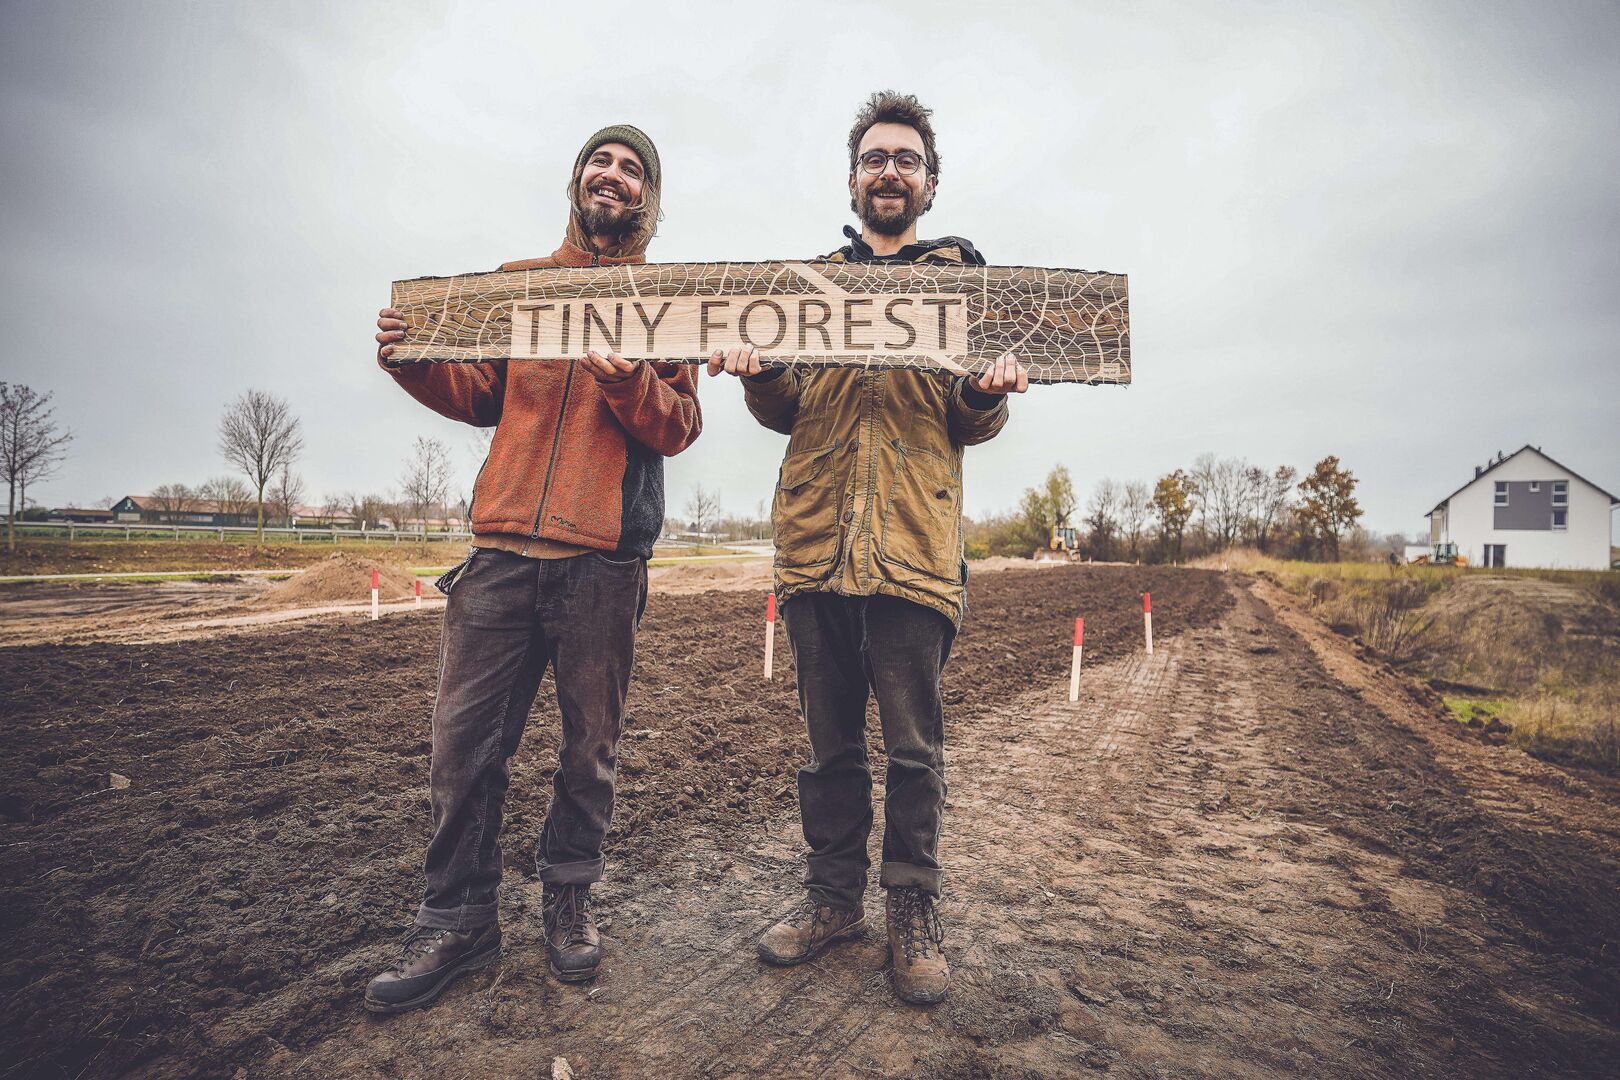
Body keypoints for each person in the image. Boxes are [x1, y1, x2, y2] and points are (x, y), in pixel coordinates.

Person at [364, 125, 702, 1013]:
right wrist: (412, 363)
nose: (613, 176)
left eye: (632, 170)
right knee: (461, 748)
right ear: (577, 180)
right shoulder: (520, 287)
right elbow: (479, 394)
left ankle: (568, 901)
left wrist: (629, 382)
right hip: (502, 553)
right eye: (602, 161)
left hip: (604, 561)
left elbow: (679, 425)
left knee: (589, 750)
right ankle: (457, 919)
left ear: (648, 200)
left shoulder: (669, 303)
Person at [707, 92, 1027, 1004]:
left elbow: (973, 420)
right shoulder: (807, 288)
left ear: (929, 181)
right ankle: (833, 897)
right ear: (853, 179)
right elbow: (783, 409)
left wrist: (985, 390)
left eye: (907, 159)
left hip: (913, 546)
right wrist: (761, 373)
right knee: (829, 749)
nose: (890, 171)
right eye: (875, 157)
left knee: (915, 751)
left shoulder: (966, 290)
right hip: (815, 543)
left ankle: (913, 909)